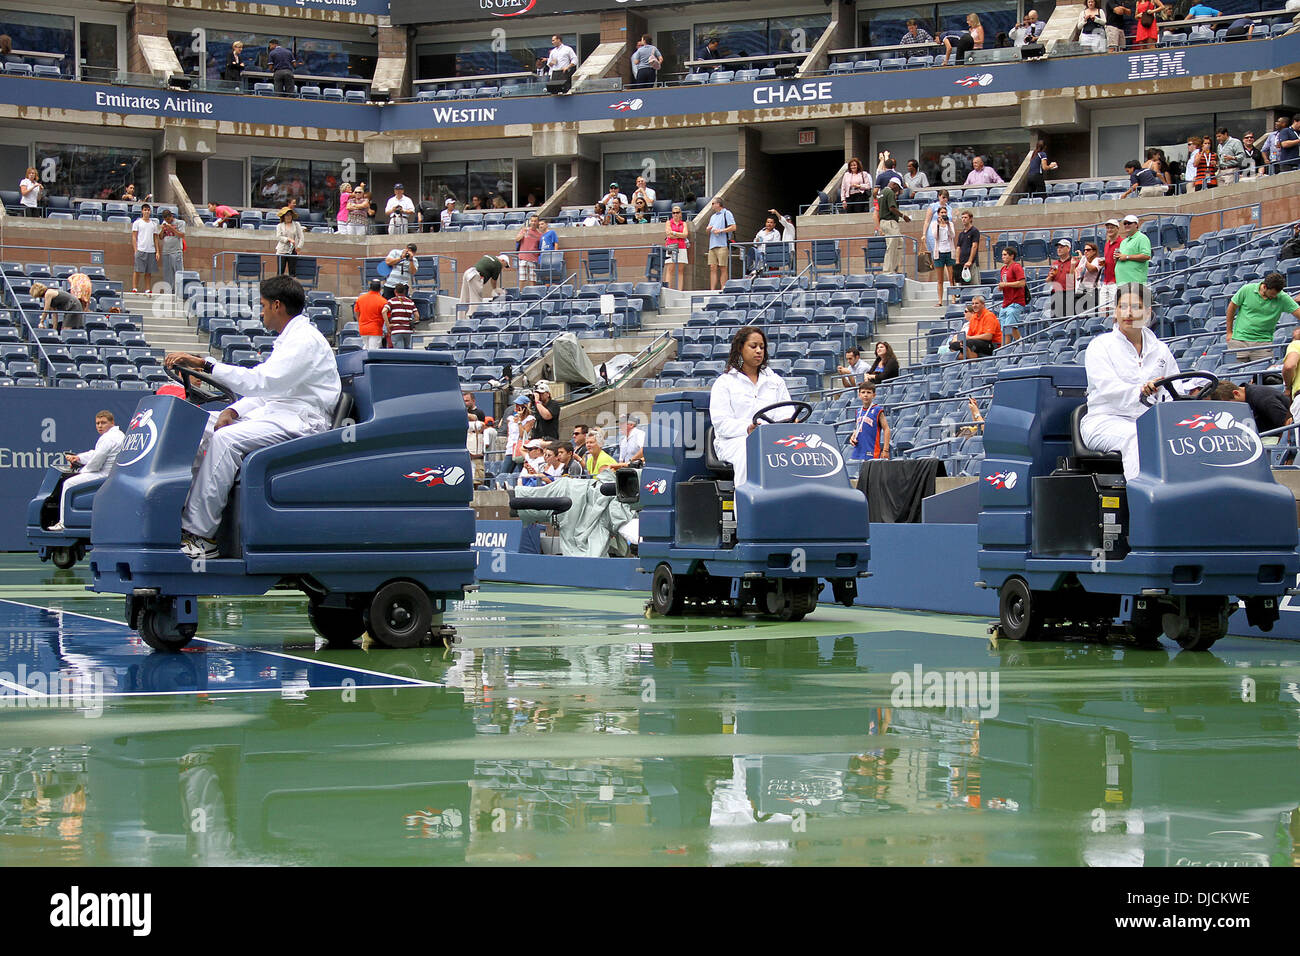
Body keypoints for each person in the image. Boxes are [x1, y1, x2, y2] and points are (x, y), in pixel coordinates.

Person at [166, 276, 341, 559]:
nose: (261, 313)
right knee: (198, 426)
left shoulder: (305, 341)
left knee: (226, 439)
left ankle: (201, 537)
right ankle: (175, 514)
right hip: (278, 414)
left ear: (277, 305)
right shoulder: (290, 339)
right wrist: (233, 410)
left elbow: (263, 382)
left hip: (302, 422)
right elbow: (270, 389)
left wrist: (205, 363)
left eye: (263, 306)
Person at [1080, 282, 1180, 481]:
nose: (1129, 313)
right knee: (1136, 436)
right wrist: (1140, 391)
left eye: (1136, 307)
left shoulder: (1161, 350)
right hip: (1105, 420)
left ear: (1148, 311)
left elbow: (1174, 389)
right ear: (1115, 311)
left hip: (1150, 420)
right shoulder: (1100, 346)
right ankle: (1142, 505)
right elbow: (1109, 388)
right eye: (1122, 307)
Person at [709, 326, 792, 488]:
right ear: (740, 348)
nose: (759, 351)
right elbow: (721, 423)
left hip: (772, 438)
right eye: (753, 346)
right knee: (749, 451)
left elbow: (786, 411)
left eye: (762, 347)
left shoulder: (775, 381)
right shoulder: (725, 382)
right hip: (733, 441)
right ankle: (746, 509)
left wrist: (788, 422)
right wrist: (747, 429)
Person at [48, 411, 124, 532]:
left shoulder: (108, 438)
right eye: (97, 423)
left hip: (104, 475)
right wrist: (78, 458)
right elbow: (97, 453)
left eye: (103, 423)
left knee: (68, 483)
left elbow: (96, 463)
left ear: (112, 423)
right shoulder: (118, 435)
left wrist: (82, 471)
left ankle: (63, 523)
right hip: (112, 474)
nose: (100, 426)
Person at [1225, 272, 1300, 361]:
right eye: (1272, 294)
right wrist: (1229, 332)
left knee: (1264, 372)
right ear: (1264, 287)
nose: (1275, 296)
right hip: (1239, 341)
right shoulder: (1246, 289)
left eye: (1276, 294)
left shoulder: (1282, 297)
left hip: (1263, 343)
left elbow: (1298, 312)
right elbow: (1232, 307)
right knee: (1234, 372)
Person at [1211, 382, 1292, 433]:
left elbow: (1287, 425)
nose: (1228, 410)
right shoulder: (1246, 398)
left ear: (1236, 393)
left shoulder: (1262, 398)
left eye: (1228, 405)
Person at [874, 179, 909, 275]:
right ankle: (888, 270)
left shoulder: (881, 192)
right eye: (898, 187)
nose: (898, 190)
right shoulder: (889, 192)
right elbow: (892, 208)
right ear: (894, 184)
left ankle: (894, 268)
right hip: (890, 222)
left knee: (899, 243)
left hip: (884, 222)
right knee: (892, 246)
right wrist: (903, 216)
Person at [847, 384, 890, 462]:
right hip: (858, 450)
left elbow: (886, 429)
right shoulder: (858, 411)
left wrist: (885, 450)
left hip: (872, 450)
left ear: (874, 395)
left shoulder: (877, 410)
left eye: (868, 392)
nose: (865, 395)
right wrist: (853, 437)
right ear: (859, 395)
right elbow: (857, 427)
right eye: (863, 392)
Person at [927, 205, 958, 306]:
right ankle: (940, 300)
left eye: (945, 213)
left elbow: (952, 235)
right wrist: (939, 225)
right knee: (940, 279)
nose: (944, 214)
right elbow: (935, 236)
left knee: (951, 277)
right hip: (939, 252)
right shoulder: (934, 224)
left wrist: (948, 224)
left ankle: (953, 298)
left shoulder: (951, 224)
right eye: (942, 213)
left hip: (949, 251)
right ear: (938, 214)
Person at [997, 246, 1027, 343]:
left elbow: (1022, 283)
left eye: (1005, 255)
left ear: (1012, 256)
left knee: (1010, 326)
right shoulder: (1003, 269)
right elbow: (1004, 283)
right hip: (1006, 302)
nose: (1003, 257)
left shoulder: (1016, 267)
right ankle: (1005, 348)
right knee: (1004, 329)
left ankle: (1020, 343)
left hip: (1016, 301)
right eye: (1002, 255)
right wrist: (1001, 286)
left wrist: (1006, 284)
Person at [706, 196, 736, 291]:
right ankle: (712, 289)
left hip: (722, 244)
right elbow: (708, 229)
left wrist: (721, 231)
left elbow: (733, 227)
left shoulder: (727, 213)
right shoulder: (713, 216)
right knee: (712, 267)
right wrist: (708, 229)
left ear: (718, 204)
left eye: (713, 203)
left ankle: (723, 288)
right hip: (712, 244)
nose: (712, 206)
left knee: (723, 267)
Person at [130, 203, 160, 294]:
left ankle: (147, 289)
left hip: (151, 250)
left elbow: (155, 238)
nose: (147, 211)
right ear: (142, 211)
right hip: (140, 249)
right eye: (145, 210)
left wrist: (157, 251)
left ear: (150, 211)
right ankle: (135, 288)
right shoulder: (137, 223)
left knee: (148, 271)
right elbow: (134, 237)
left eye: (148, 210)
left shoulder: (153, 224)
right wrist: (136, 250)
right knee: (137, 270)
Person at [1114, 214, 1151, 286]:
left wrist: (1127, 257)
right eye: (1125, 223)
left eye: (1129, 223)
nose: (1126, 225)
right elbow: (1122, 257)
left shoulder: (1142, 238)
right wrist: (1117, 258)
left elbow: (1146, 256)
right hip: (1121, 282)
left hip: (1135, 282)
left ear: (1136, 224)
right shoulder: (1123, 241)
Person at [1046, 239, 1079, 319]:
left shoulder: (1075, 262)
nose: (1059, 249)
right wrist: (1050, 276)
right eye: (1058, 247)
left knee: (1069, 319)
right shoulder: (1055, 263)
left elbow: (1074, 279)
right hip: (1056, 294)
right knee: (1056, 320)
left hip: (1069, 293)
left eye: (1062, 247)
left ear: (1068, 249)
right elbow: (1048, 281)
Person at [354, 278, 387, 350]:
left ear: (370, 287)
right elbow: (386, 316)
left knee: (365, 348)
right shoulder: (383, 301)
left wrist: (360, 322)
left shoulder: (360, 298)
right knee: (373, 351)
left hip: (363, 329)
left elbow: (357, 312)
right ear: (380, 289)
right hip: (376, 329)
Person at [157, 209, 185, 291]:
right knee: (167, 274)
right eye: (166, 219)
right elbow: (161, 237)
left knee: (178, 272)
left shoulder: (180, 223)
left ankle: (179, 290)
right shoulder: (164, 223)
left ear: (171, 216)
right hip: (166, 252)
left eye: (168, 219)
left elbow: (182, 235)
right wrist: (163, 229)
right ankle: (169, 290)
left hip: (176, 251)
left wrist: (171, 228)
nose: (167, 221)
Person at [382, 282, 417, 349]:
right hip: (407, 330)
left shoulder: (391, 301)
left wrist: (388, 325)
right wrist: (411, 322)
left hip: (396, 330)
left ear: (395, 291)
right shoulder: (410, 302)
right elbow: (417, 316)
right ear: (404, 291)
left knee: (400, 353)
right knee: (408, 352)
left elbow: (384, 311)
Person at [663, 205, 690, 291]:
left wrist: (674, 233)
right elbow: (668, 234)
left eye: (677, 212)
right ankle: (668, 290)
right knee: (670, 269)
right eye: (673, 213)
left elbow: (685, 234)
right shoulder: (668, 222)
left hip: (682, 246)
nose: (675, 214)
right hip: (671, 246)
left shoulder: (684, 223)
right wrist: (679, 235)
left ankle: (679, 290)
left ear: (680, 214)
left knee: (680, 270)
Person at [1074, 241, 1104, 317]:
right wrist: (1073, 263)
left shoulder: (1098, 260)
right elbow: (1075, 274)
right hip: (1081, 290)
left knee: (1091, 315)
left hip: (1092, 291)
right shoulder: (1083, 261)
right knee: (1079, 315)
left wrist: (1083, 258)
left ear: (1094, 251)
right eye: (1084, 250)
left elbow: (1092, 269)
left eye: (1088, 250)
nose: (1085, 252)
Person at [1100, 218, 1123, 314]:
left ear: (1117, 229)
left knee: (1115, 310)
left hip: (1116, 280)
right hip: (1106, 281)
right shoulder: (1107, 244)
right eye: (1108, 228)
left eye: (1112, 228)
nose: (1109, 230)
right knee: (1102, 310)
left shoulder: (1122, 242)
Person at [274, 207, 303, 277]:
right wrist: (288, 239)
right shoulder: (279, 226)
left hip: (292, 250)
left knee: (292, 271)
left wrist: (299, 247)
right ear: (283, 217)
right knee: (280, 272)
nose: (288, 217)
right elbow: (278, 237)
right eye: (287, 215)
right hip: (282, 251)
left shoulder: (296, 225)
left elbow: (301, 237)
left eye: (290, 215)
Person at [515, 214, 543, 285]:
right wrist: (523, 233)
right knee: (522, 278)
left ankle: (532, 294)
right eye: (532, 221)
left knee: (533, 279)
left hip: (533, 258)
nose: (533, 223)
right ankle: (520, 293)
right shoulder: (524, 230)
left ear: (538, 222)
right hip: (523, 257)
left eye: (535, 221)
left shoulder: (540, 234)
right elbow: (517, 239)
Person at [956, 210, 980, 285]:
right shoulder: (961, 234)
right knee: (961, 285)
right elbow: (958, 248)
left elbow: (974, 246)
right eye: (962, 217)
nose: (963, 219)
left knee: (974, 284)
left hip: (972, 263)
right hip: (961, 263)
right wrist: (957, 261)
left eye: (965, 217)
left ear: (970, 219)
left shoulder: (974, 231)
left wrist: (970, 261)